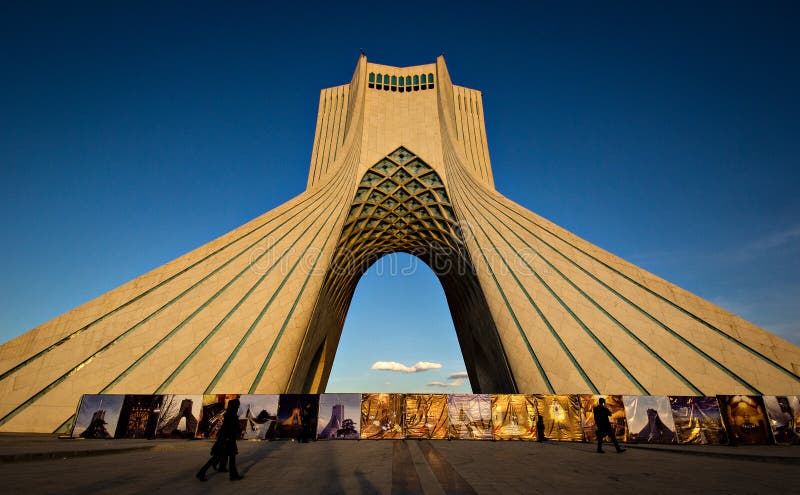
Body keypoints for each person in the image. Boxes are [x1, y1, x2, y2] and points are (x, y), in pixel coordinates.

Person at [197, 398, 244, 481]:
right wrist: (239, 430)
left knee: (219, 457)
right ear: (234, 406)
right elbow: (230, 428)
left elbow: (230, 428)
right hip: (227, 440)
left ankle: (203, 472)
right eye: (237, 406)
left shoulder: (229, 414)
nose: (238, 408)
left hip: (226, 439)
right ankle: (202, 472)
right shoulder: (231, 415)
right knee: (223, 457)